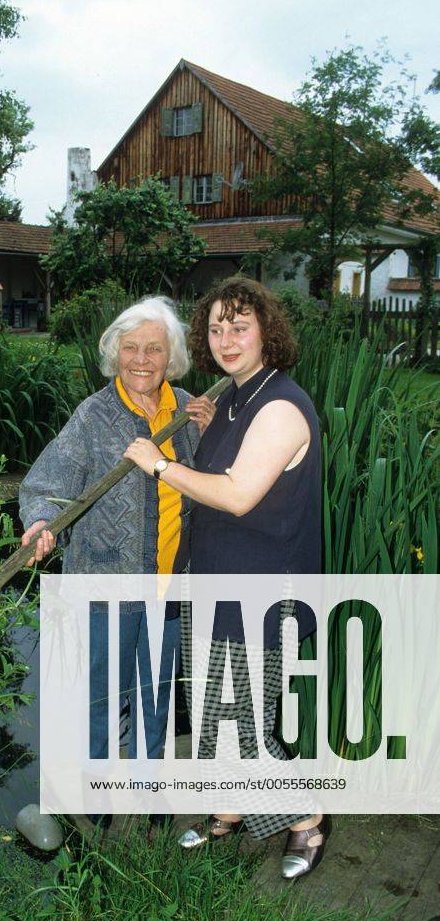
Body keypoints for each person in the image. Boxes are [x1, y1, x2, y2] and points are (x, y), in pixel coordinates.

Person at [123, 277, 330, 878]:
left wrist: (159, 465)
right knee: (215, 709)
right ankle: (232, 809)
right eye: (216, 328)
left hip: (262, 592)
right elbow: (229, 467)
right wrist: (213, 425)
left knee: (242, 720)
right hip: (216, 584)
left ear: (268, 331)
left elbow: (238, 495)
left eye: (240, 326)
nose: (226, 339)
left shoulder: (282, 405)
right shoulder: (240, 398)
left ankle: (306, 819)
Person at [19, 296, 214, 771]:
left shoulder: (191, 411)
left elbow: (222, 487)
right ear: (115, 353)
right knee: (101, 699)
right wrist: (42, 524)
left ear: (173, 357)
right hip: (107, 587)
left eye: (153, 349)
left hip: (172, 586)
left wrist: (212, 437)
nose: (142, 360)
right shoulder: (93, 416)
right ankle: (97, 796)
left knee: (157, 695)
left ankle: (149, 788)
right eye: (131, 348)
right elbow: (46, 484)